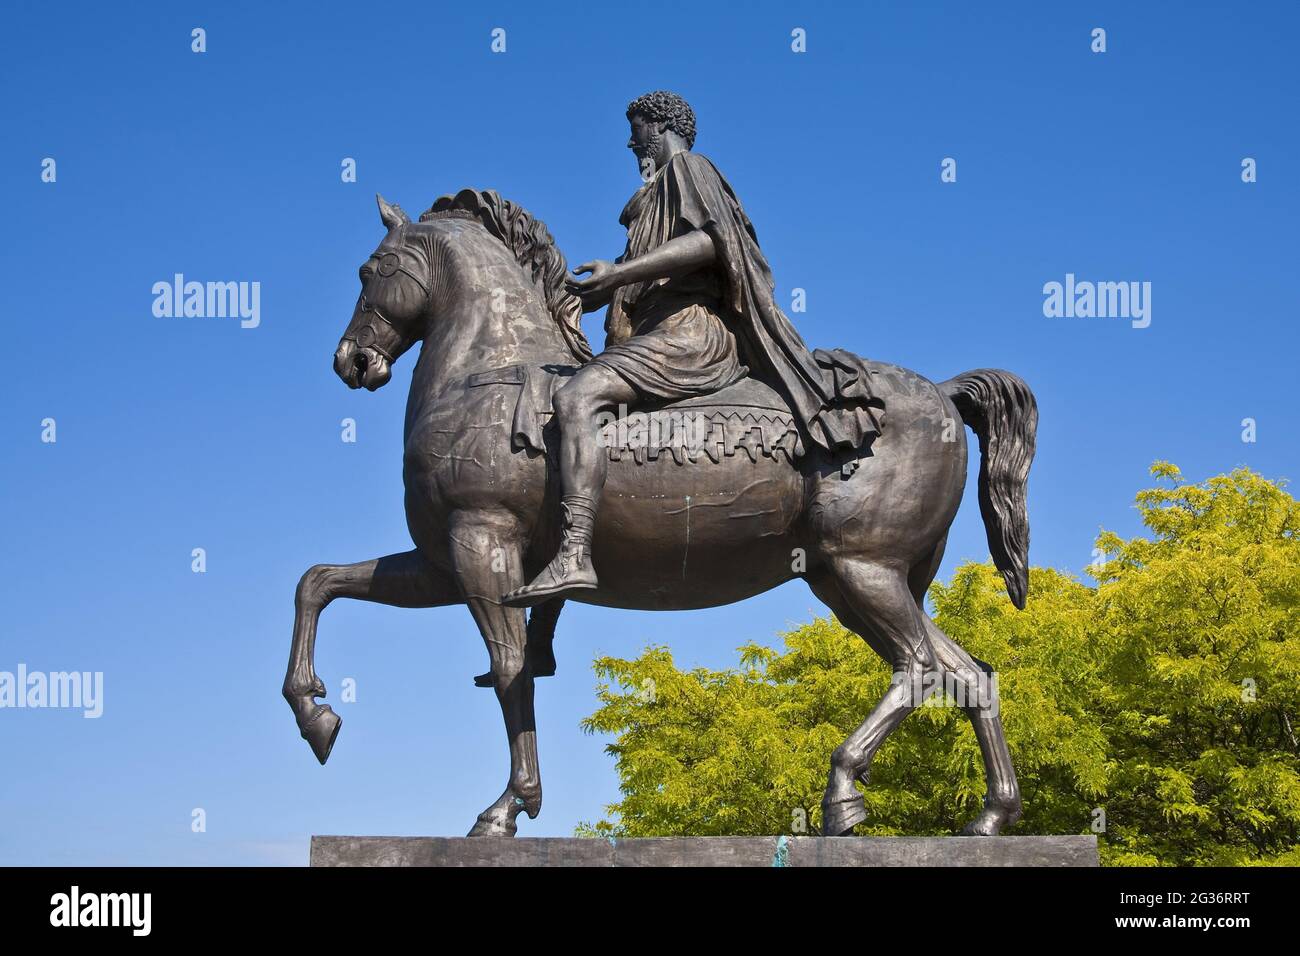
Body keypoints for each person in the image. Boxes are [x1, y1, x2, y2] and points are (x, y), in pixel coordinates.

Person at [503, 91, 878, 607]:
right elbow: (643, 275)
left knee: (574, 398)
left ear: (658, 127)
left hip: (690, 336)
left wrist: (623, 273)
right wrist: (594, 289)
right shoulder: (654, 198)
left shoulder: (690, 170)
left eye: (635, 129)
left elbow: (711, 242)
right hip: (660, 333)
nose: (631, 141)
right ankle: (546, 612)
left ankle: (574, 553)